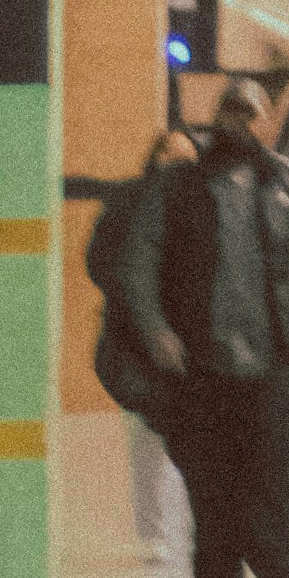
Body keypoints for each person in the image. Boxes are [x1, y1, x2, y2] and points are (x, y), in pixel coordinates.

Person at [118, 73, 289, 578]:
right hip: (201, 369)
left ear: (267, 121)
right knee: (212, 485)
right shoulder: (178, 190)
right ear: (216, 120)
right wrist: (155, 330)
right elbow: (139, 265)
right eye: (232, 113)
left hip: (278, 366)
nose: (241, 124)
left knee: (275, 481)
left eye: (251, 114)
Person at [84, 124, 199, 549]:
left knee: (196, 444)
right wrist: (134, 298)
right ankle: (150, 532)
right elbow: (97, 259)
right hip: (134, 344)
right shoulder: (127, 201)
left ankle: (198, 527)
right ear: (154, 159)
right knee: (145, 442)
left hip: (191, 347)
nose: (178, 168)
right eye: (170, 158)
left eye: (187, 160)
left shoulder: (202, 206)